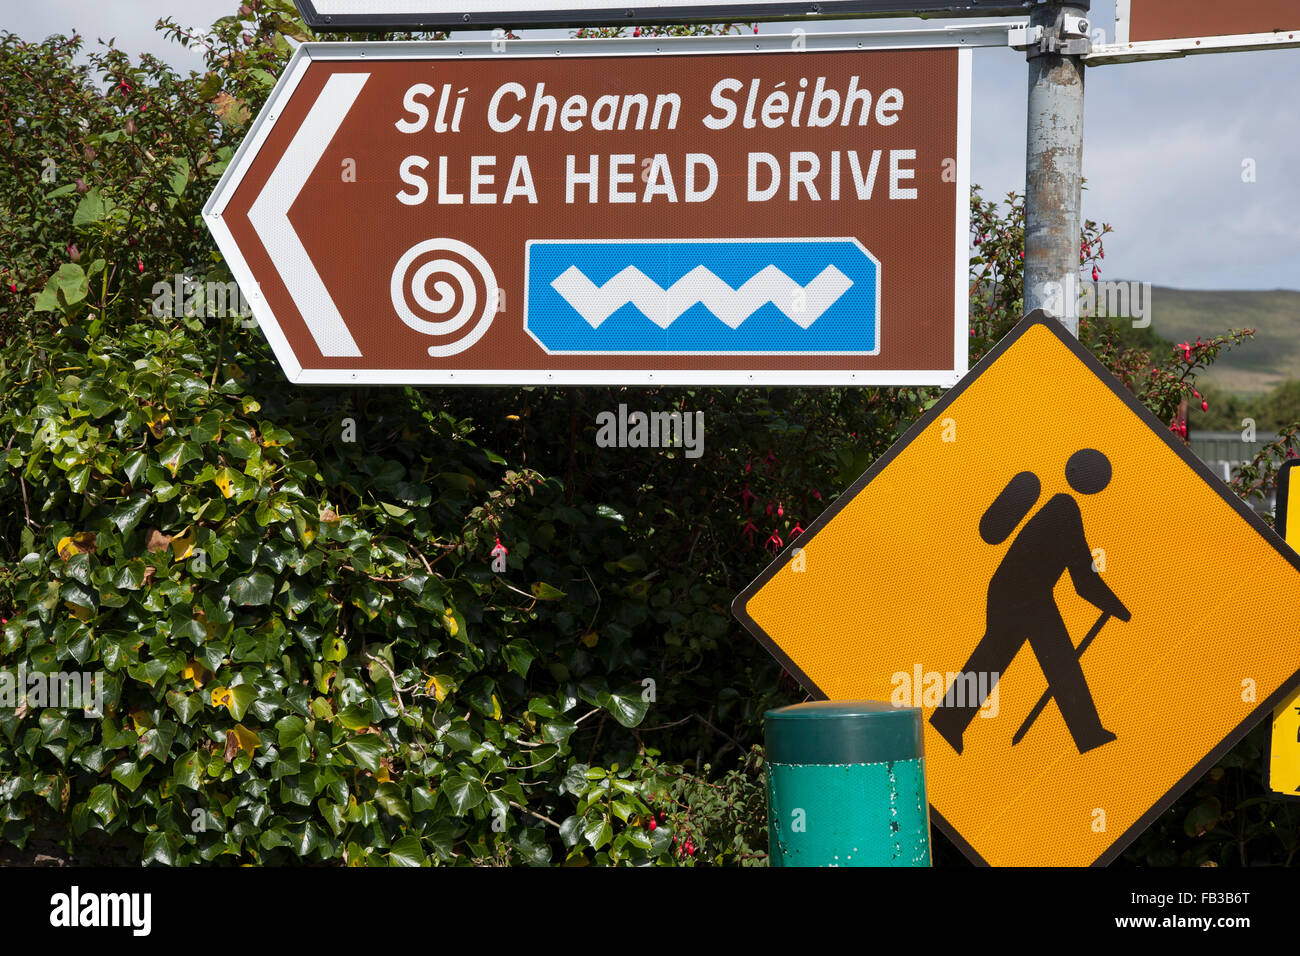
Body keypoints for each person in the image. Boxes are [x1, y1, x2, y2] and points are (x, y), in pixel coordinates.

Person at [930, 449, 1129, 756]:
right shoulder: (1065, 508)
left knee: (999, 657)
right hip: (1022, 594)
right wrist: (1118, 608)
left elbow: (1082, 575)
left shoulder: (1059, 506)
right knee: (1055, 659)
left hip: (1018, 591)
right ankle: (1088, 735)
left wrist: (1109, 603)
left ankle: (948, 721)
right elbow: (1083, 577)